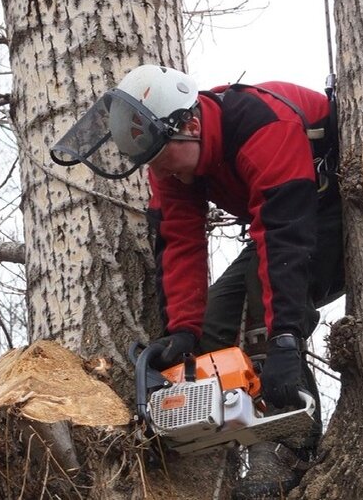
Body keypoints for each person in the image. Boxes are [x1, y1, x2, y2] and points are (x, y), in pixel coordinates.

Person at [51, 64, 344, 499]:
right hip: (282, 219)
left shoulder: (261, 124)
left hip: (333, 210)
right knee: (213, 326)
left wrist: (285, 337)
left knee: (257, 304)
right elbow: (179, 241)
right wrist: (182, 331)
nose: (163, 174)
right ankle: (215, 434)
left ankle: (288, 444)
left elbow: (283, 234)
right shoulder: (168, 159)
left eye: (164, 160)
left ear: (189, 125)